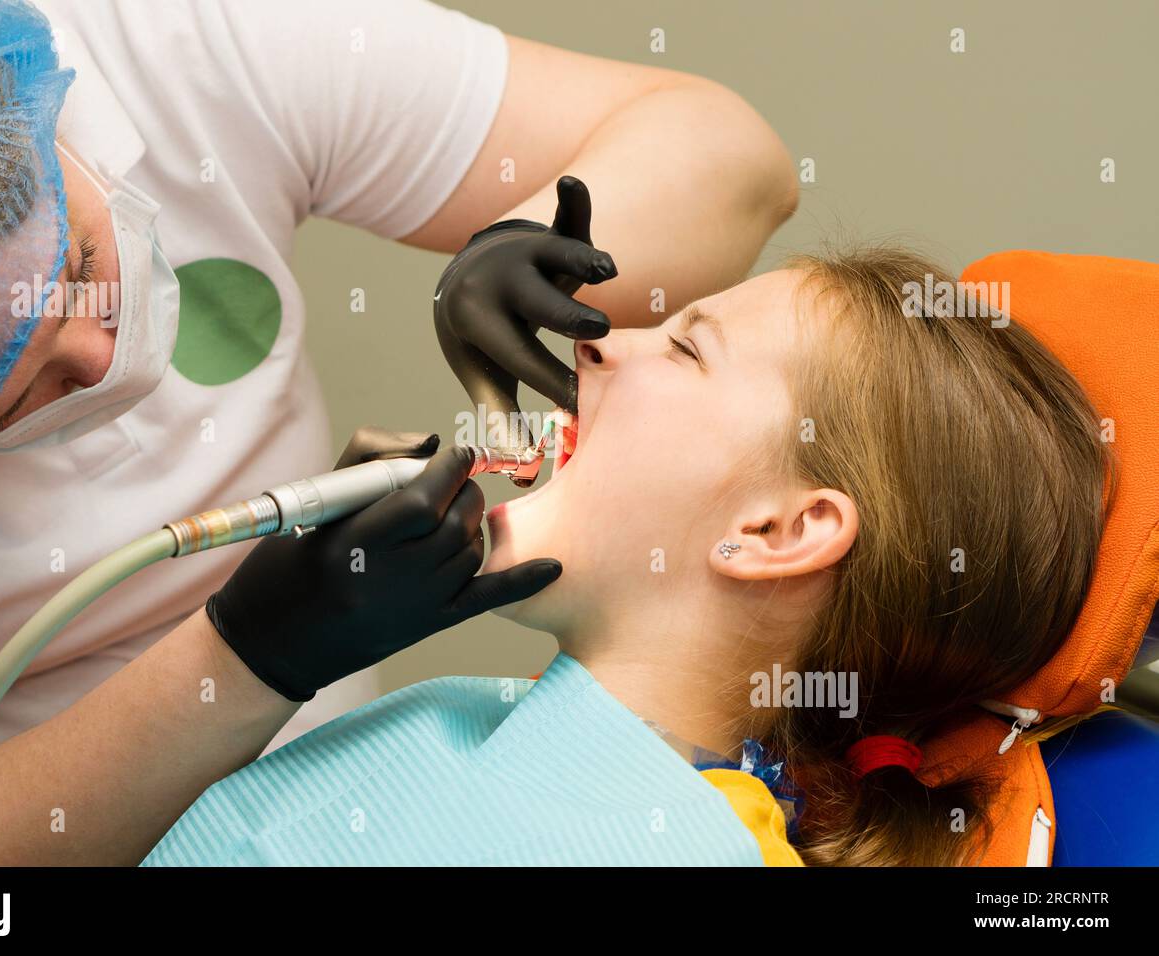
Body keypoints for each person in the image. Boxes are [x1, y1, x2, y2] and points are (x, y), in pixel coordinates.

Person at [0, 0, 796, 864]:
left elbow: (735, 160)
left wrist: (509, 247)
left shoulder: (183, 40)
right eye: (22, 393)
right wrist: (241, 660)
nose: (104, 361)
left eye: (83, 266)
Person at [147, 247, 1112, 866]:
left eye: (689, 351)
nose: (597, 350)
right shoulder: (445, 717)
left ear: (781, 531)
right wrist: (248, 657)